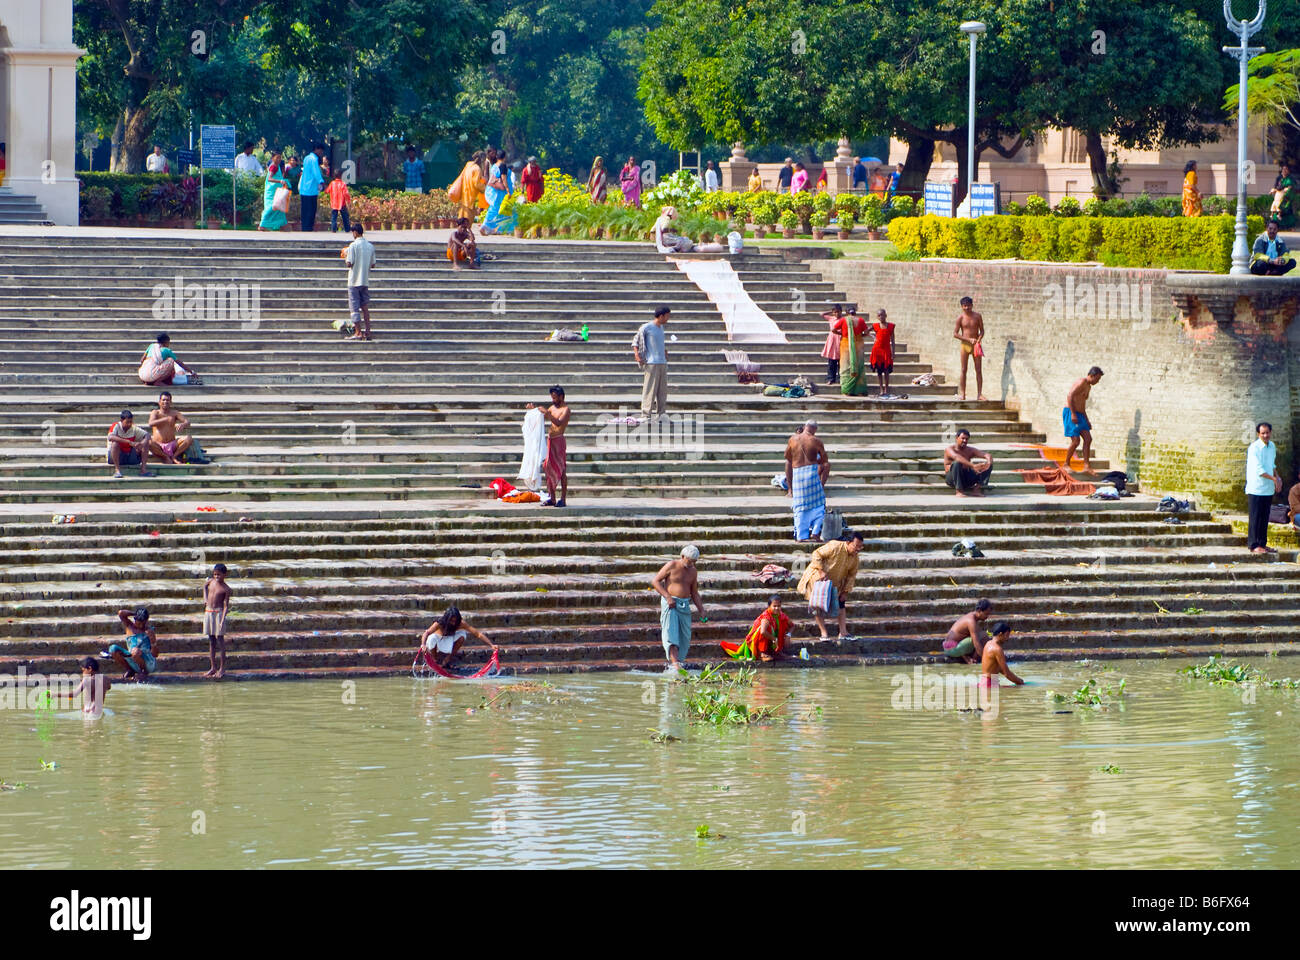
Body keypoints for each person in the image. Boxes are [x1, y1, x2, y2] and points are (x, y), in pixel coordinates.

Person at [797, 533, 864, 639]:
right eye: (856, 546)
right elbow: (817, 554)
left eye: (861, 547)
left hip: (836, 582)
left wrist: (846, 591)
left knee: (841, 604)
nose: (858, 549)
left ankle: (843, 632)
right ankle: (824, 633)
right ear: (848, 543)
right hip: (818, 579)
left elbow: (852, 575)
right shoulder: (834, 546)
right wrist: (821, 570)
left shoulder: (855, 558)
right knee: (817, 607)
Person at [652, 545, 705, 670]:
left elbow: (694, 592)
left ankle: (678, 662)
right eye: (690, 560)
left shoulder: (693, 571)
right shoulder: (672, 565)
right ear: (682, 556)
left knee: (684, 637)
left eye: (694, 562)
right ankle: (675, 664)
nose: (692, 564)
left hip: (684, 604)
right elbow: (655, 581)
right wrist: (668, 597)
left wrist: (701, 610)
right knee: (671, 634)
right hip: (670, 604)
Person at [786, 419, 829, 541]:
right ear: (814, 430)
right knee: (820, 504)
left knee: (800, 506)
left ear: (805, 427)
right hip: (811, 473)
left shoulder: (792, 439)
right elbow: (824, 460)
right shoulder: (816, 441)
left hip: (797, 474)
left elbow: (788, 457)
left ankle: (801, 536)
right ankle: (815, 532)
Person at [527, 385, 570, 507]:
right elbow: (542, 415)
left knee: (561, 470)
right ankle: (552, 498)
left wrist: (548, 413)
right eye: (552, 397)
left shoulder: (566, 409)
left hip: (559, 441)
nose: (553, 400)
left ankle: (563, 499)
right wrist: (534, 410)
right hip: (550, 441)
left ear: (561, 397)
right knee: (547, 467)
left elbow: (558, 422)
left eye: (555, 397)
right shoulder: (552, 407)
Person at [420, 606, 498, 669]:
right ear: (447, 619)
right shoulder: (440, 623)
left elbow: (477, 634)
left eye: (455, 621)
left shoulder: (460, 623)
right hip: (438, 641)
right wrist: (423, 644)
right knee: (432, 638)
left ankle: (448, 658)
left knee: (462, 635)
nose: (453, 623)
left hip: (449, 640)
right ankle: (435, 659)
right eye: (451, 621)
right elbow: (426, 633)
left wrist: (491, 645)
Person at [1245, 421, 1282, 555]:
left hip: (1267, 488)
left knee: (1264, 517)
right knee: (1255, 517)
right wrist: (1274, 479)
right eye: (1263, 433)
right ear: (1258, 434)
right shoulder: (1254, 448)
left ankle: (1262, 543)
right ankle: (1253, 544)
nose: (1266, 435)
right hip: (1256, 487)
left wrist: (1278, 478)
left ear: (1270, 433)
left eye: (1267, 433)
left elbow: (1272, 465)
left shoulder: (1272, 446)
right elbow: (1259, 470)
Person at [723, 595, 792, 663]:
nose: (777, 608)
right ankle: (761, 653)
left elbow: (792, 625)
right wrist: (774, 639)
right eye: (774, 606)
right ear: (769, 607)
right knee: (766, 628)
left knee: (782, 624)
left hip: (772, 640)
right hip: (756, 640)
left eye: (778, 606)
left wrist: (788, 635)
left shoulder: (781, 615)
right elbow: (763, 632)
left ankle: (776, 651)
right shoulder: (766, 616)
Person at [1063, 366, 1103, 473]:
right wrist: (1072, 414)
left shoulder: (1088, 387)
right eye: (1097, 379)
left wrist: (1087, 420)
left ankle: (1086, 466)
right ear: (1091, 375)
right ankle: (1066, 464)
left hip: (1080, 415)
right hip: (1071, 412)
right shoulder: (1081, 382)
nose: (1097, 382)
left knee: (1088, 439)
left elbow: (1082, 404)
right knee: (1076, 441)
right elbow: (1070, 395)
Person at [103, 607, 160, 681]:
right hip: (132, 659)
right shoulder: (130, 626)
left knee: (135, 651)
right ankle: (130, 670)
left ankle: (144, 672)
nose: (139, 625)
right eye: (137, 622)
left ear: (146, 622)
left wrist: (153, 642)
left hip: (148, 663)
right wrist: (136, 613)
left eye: (141, 623)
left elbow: (155, 655)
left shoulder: (149, 632)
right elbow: (121, 613)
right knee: (113, 649)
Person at [633, 305, 670, 417]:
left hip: (662, 362)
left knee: (662, 391)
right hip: (651, 362)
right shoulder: (646, 327)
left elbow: (658, 342)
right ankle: (646, 414)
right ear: (661, 316)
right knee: (650, 390)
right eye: (667, 316)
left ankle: (661, 414)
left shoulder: (661, 328)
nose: (668, 318)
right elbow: (635, 341)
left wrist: (664, 350)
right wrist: (637, 354)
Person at [343, 225, 376, 341]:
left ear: (355, 233)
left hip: (354, 281)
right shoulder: (370, 246)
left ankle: (358, 332)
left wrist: (346, 255)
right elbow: (373, 264)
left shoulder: (353, 246)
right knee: (365, 307)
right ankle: (368, 332)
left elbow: (349, 263)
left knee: (354, 308)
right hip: (365, 280)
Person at [203, 563, 232, 679]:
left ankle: (222, 668)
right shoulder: (210, 582)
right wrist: (205, 599)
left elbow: (226, 606)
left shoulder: (226, 589)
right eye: (215, 574)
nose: (216, 577)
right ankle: (213, 667)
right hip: (209, 612)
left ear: (225, 575)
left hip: (218, 613)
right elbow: (204, 587)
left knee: (220, 641)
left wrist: (222, 619)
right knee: (211, 640)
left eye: (219, 575)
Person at [953, 296, 986, 401]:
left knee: (978, 370)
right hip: (965, 345)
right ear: (962, 306)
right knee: (963, 369)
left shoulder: (977, 316)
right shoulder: (960, 318)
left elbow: (982, 331)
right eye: (964, 306)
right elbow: (955, 334)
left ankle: (979, 394)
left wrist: (979, 339)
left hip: (976, 346)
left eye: (968, 305)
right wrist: (968, 339)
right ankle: (962, 394)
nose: (967, 307)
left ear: (972, 305)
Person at [106, 410, 155, 479]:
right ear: (121, 420)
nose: (129, 424)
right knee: (115, 444)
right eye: (127, 422)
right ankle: (117, 470)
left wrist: (141, 443)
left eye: (130, 422)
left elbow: (147, 435)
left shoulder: (133, 428)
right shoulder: (116, 426)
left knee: (146, 443)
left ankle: (143, 470)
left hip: (130, 456)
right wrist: (128, 442)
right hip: (116, 457)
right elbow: (111, 437)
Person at [944, 429, 993, 496]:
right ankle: (959, 491)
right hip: (953, 479)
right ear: (957, 438)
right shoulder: (949, 449)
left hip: (966, 478)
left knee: (988, 465)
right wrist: (973, 466)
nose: (965, 441)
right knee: (956, 463)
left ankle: (976, 490)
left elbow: (987, 455)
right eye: (963, 438)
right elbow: (957, 457)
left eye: (966, 439)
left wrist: (989, 462)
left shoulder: (970, 450)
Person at [148, 391, 193, 464]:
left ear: (171, 402)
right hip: (158, 445)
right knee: (148, 442)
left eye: (167, 400)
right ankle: (165, 457)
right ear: (159, 402)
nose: (165, 402)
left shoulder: (175, 413)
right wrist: (165, 419)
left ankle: (174, 456)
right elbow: (150, 423)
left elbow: (188, 422)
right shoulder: (155, 412)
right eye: (163, 400)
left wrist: (183, 424)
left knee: (189, 438)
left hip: (172, 444)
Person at [834, 307, 870, 396]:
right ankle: (860, 390)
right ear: (855, 312)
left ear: (847, 313)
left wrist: (842, 334)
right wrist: (859, 335)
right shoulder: (861, 320)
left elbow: (833, 330)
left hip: (846, 345)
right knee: (859, 365)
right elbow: (866, 332)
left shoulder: (843, 320)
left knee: (846, 367)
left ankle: (848, 390)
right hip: (859, 345)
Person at [980, 621, 1023, 687]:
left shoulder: (988, 643)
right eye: (1007, 635)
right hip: (989, 684)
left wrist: (1017, 679)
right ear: (1000, 634)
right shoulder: (997, 649)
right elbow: (1007, 674)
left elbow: (998, 668)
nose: (1008, 638)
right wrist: (1020, 682)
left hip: (984, 682)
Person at [481, 152, 515, 235]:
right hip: (502, 193)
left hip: (495, 192)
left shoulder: (494, 166)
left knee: (495, 209)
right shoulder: (503, 166)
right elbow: (504, 179)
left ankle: (492, 228)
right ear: (505, 157)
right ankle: (489, 226)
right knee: (505, 209)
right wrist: (507, 190)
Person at [449, 150, 488, 222]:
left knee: (462, 211)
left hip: (464, 192)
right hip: (471, 195)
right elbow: (476, 184)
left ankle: (461, 228)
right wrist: (485, 189)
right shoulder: (477, 169)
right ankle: (466, 229)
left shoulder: (468, 164)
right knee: (469, 215)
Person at [259, 151, 290, 231]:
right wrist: (280, 181)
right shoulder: (274, 167)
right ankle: (263, 224)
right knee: (271, 207)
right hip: (272, 192)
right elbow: (270, 178)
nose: (279, 159)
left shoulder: (278, 166)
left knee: (279, 207)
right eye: (277, 157)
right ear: (273, 158)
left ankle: (283, 225)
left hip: (276, 191)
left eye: (280, 157)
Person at [869, 308, 896, 397]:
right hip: (877, 350)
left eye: (883, 315)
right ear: (877, 317)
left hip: (886, 350)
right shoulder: (875, 325)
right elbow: (865, 332)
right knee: (879, 371)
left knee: (886, 370)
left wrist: (893, 351)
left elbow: (892, 340)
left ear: (886, 315)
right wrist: (873, 337)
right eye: (879, 315)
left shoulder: (891, 326)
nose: (881, 317)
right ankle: (881, 388)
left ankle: (886, 389)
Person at [298, 143, 325, 232]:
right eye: (321, 150)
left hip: (304, 188)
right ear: (317, 149)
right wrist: (321, 181)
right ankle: (309, 227)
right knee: (311, 209)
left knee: (304, 210)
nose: (321, 153)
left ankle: (304, 227)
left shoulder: (306, 158)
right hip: (311, 189)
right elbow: (316, 172)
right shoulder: (314, 160)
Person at [821, 304, 844, 384]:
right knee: (831, 362)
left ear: (841, 312)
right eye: (835, 312)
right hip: (832, 341)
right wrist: (831, 311)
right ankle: (831, 378)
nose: (837, 314)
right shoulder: (831, 318)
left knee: (841, 362)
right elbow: (822, 314)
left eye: (838, 312)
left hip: (840, 340)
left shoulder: (843, 319)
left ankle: (841, 379)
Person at [326, 168, 351, 233]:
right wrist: (348, 201)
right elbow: (346, 193)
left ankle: (333, 229)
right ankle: (347, 229)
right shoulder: (343, 184)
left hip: (334, 203)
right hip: (341, 203)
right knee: (345, 217)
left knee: (334, 217)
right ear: (341, 176)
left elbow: (327, 191)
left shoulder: (332, 183)